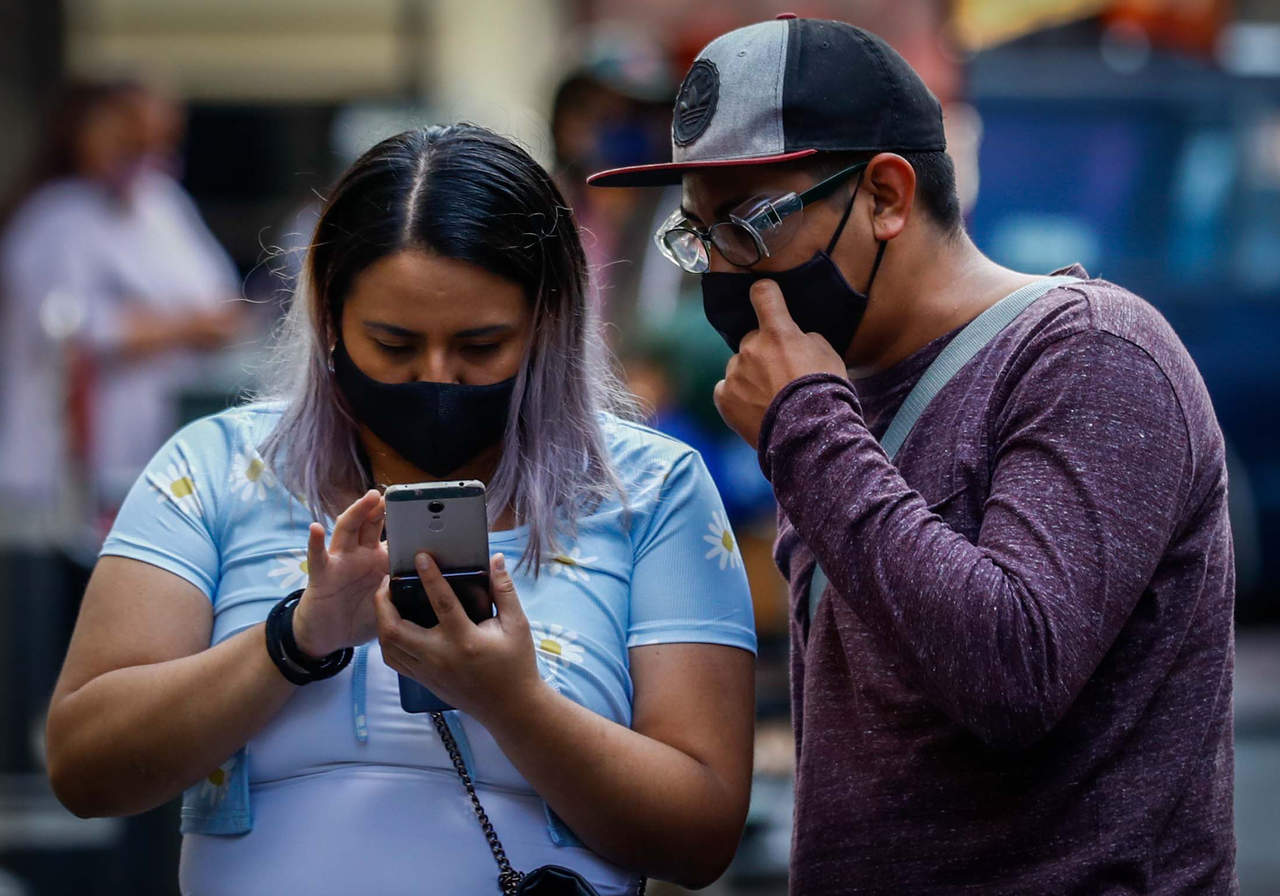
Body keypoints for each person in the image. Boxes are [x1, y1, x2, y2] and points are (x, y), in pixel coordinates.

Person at [590, 16, 1236, 895]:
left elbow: (1015, 670)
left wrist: (804, 427)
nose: (725, 271)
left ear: (888, 196)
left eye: (748, 225)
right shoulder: (839, 379)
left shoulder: (1091, 354)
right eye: (700, 235)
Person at [45, 123, 756, 895]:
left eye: (482, 346)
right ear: (329, 320)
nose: (437, 378)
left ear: (550, 324)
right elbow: (85, 767)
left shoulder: (649, 491)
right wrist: (295, 639)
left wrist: (513, 704)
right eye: (393, 344)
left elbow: (701, 833)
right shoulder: (213, 471)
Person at [0, 79, 245, 532]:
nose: (146, 154)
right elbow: (71, 329)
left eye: (159, 140)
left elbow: (224, 305)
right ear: (82, 130)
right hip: (67, 468)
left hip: (155, 453)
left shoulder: (161, 202)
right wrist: (184, 327)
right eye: (129, 139)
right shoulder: (54, 215)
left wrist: (167, 325)